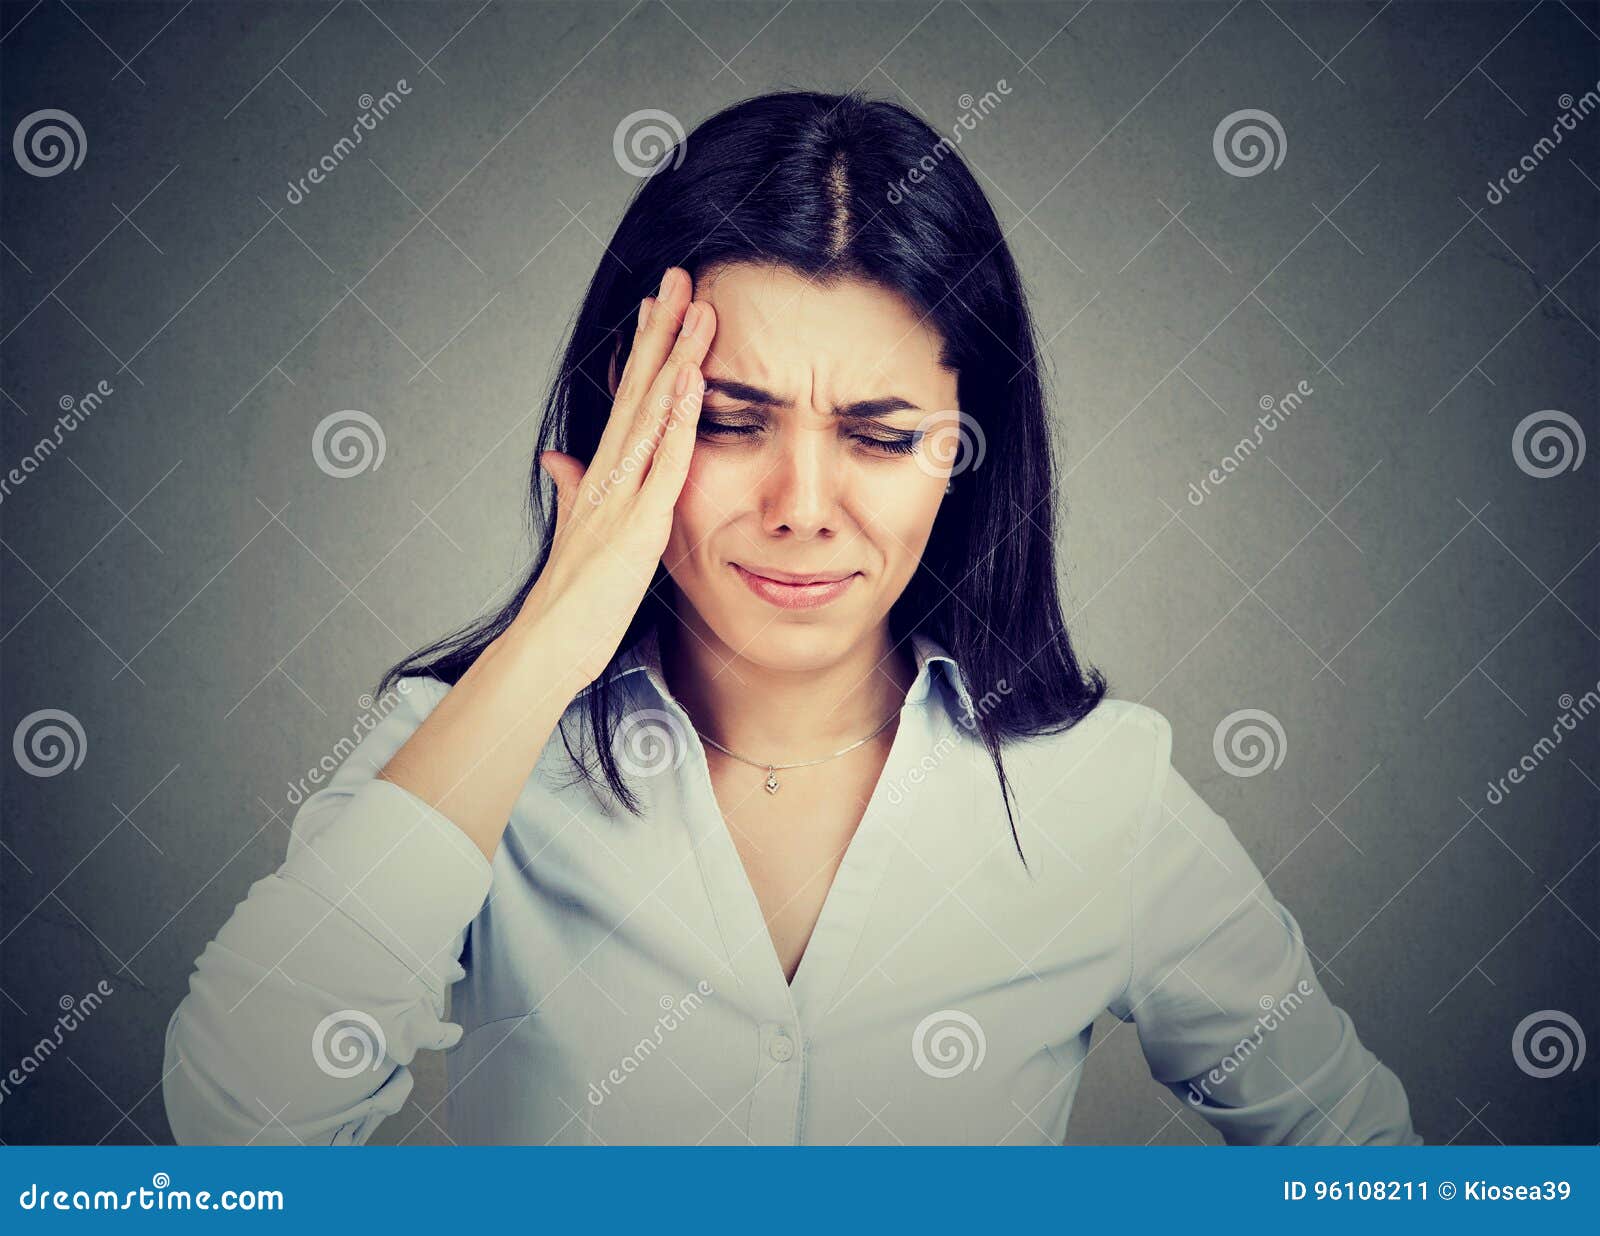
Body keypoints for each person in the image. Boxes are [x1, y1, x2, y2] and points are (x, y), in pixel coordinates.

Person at [162, 90, 1421, 1146]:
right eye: (726, 421)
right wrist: (550, 637)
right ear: (627, 414)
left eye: (879, 437)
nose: (802, 508)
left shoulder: (1098, 791)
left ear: (966, 451)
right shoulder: (472, 748)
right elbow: (242, 1118)